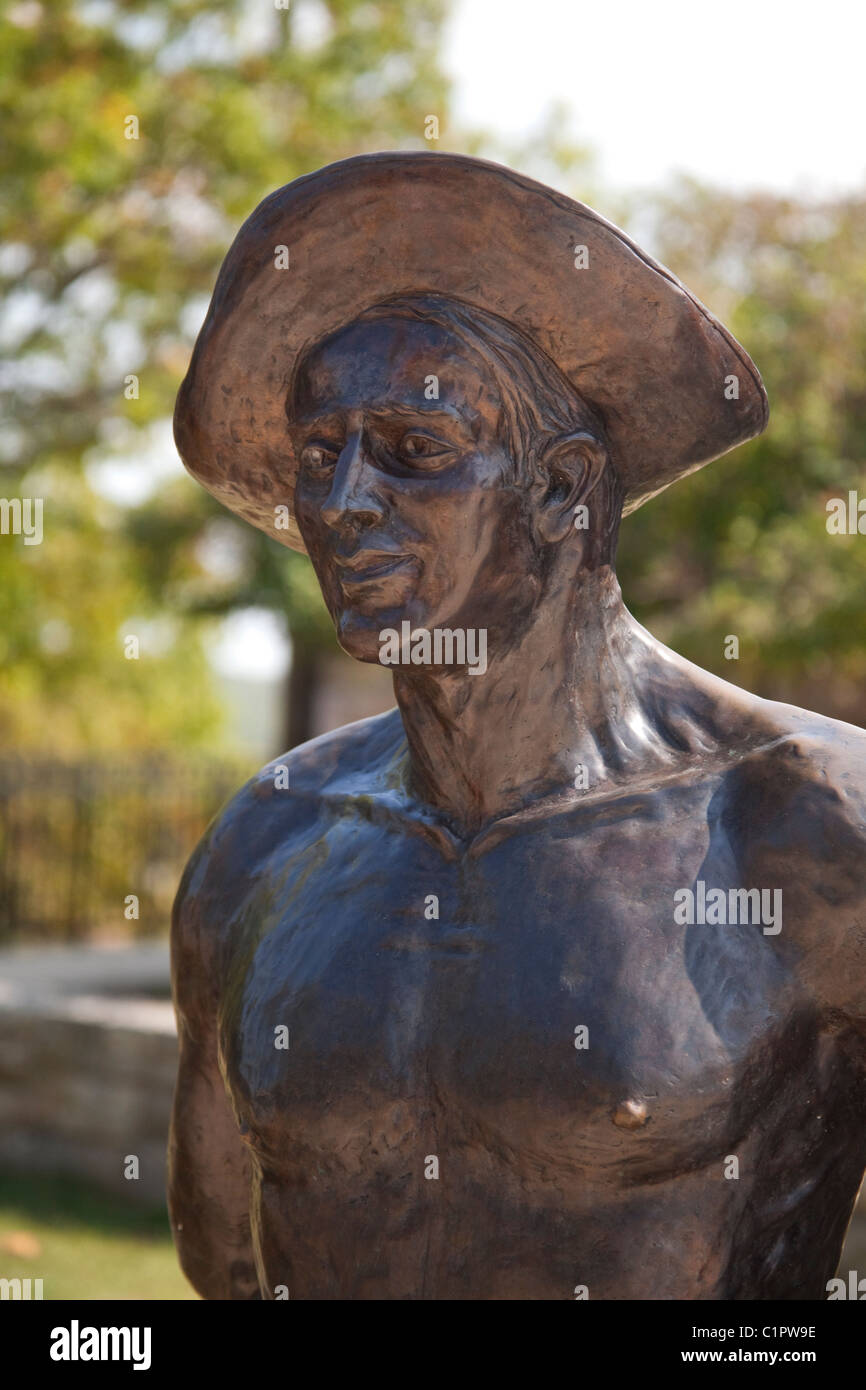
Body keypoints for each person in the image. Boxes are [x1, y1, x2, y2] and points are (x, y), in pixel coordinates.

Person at [168, 153, 866, 1300]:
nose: (339, 504)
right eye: (315, 456)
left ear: (559, 487)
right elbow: (224, 1259)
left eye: (413, 450)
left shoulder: (806, 829)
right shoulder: (268, 847)